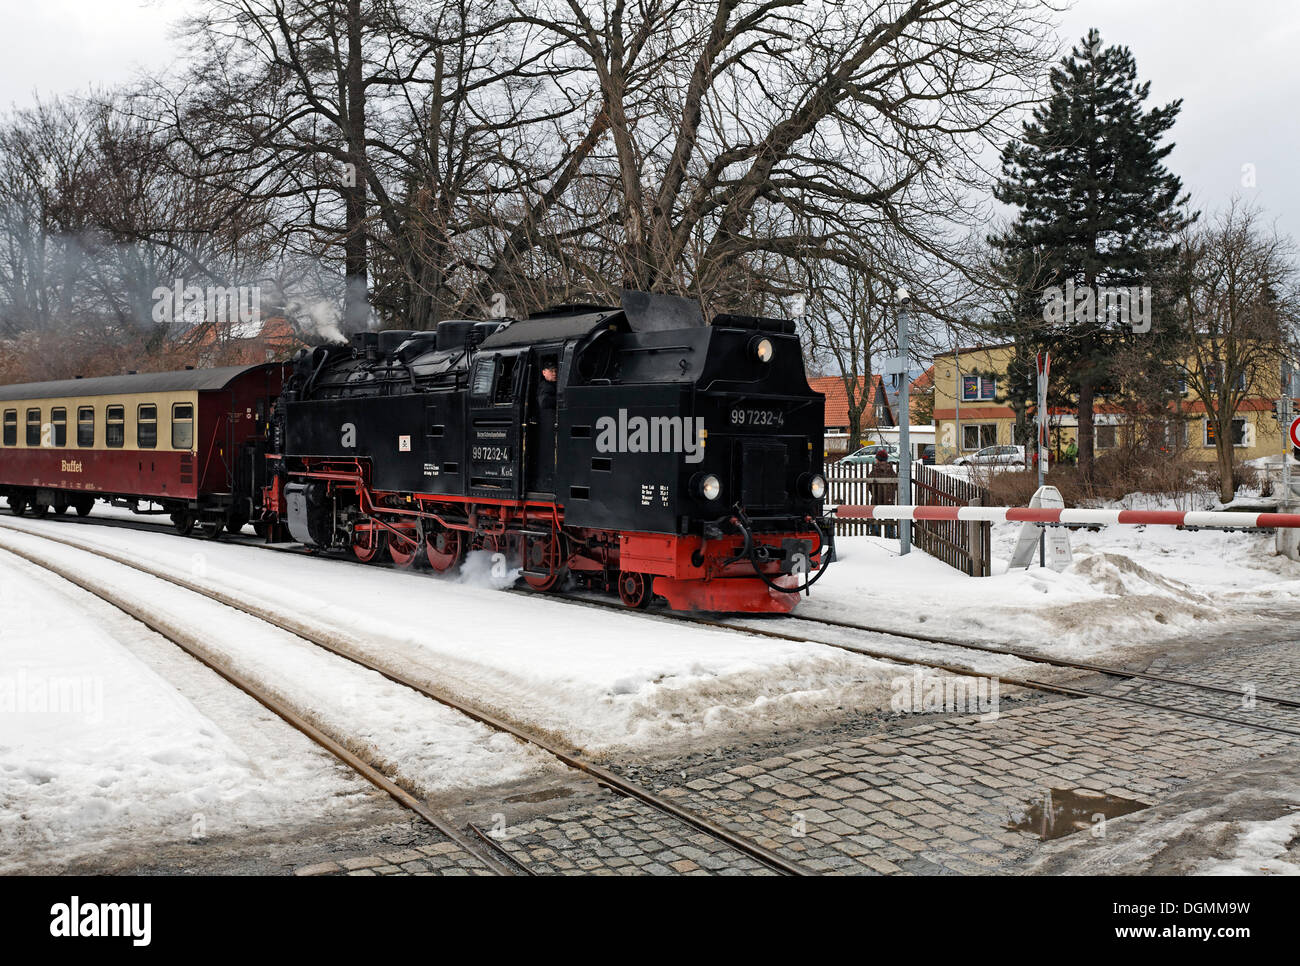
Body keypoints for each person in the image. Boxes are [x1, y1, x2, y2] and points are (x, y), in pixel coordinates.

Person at [534, 356, 559, 491]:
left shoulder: (552, 385)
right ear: (544, 372)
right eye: (551, 371)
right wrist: (560, 399)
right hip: (546, 427)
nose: (554, 373)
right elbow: (544, 402)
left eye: (555, 371)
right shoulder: (545, 386)